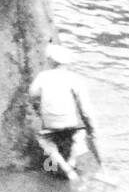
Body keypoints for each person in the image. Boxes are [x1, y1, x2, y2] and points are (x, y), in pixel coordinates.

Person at [29, 42, 98, 181]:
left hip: (50, 127)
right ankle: (71, 163)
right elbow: (85, 110)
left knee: (45, 142)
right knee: (79, 136)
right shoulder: (75, 78)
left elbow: (32, 95)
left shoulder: (42, 76)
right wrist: (92, 129)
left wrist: (40, 107)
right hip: (71, 126)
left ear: (50, 61)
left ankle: (59, 169)